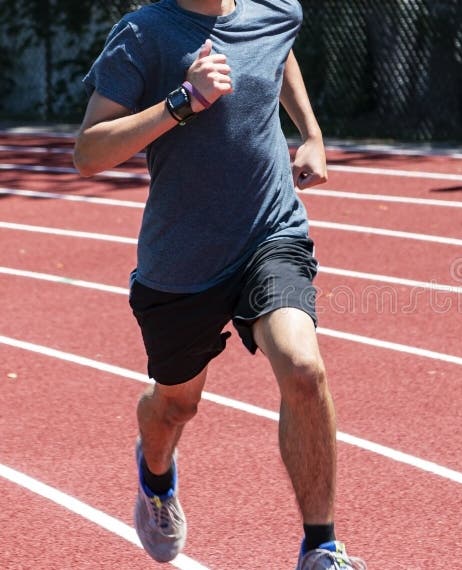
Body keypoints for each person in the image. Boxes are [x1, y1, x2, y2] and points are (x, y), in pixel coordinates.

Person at [73, 1, 366, 568]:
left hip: (269, 231)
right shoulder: (144, 34)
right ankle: (156, 476)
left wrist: (311, 132)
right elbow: (88, 152)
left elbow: (276, 54)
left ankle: (321, 548)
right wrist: (182, 102)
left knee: (303, 369)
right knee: (176, 405)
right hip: (183, 259)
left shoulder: (276, 9)